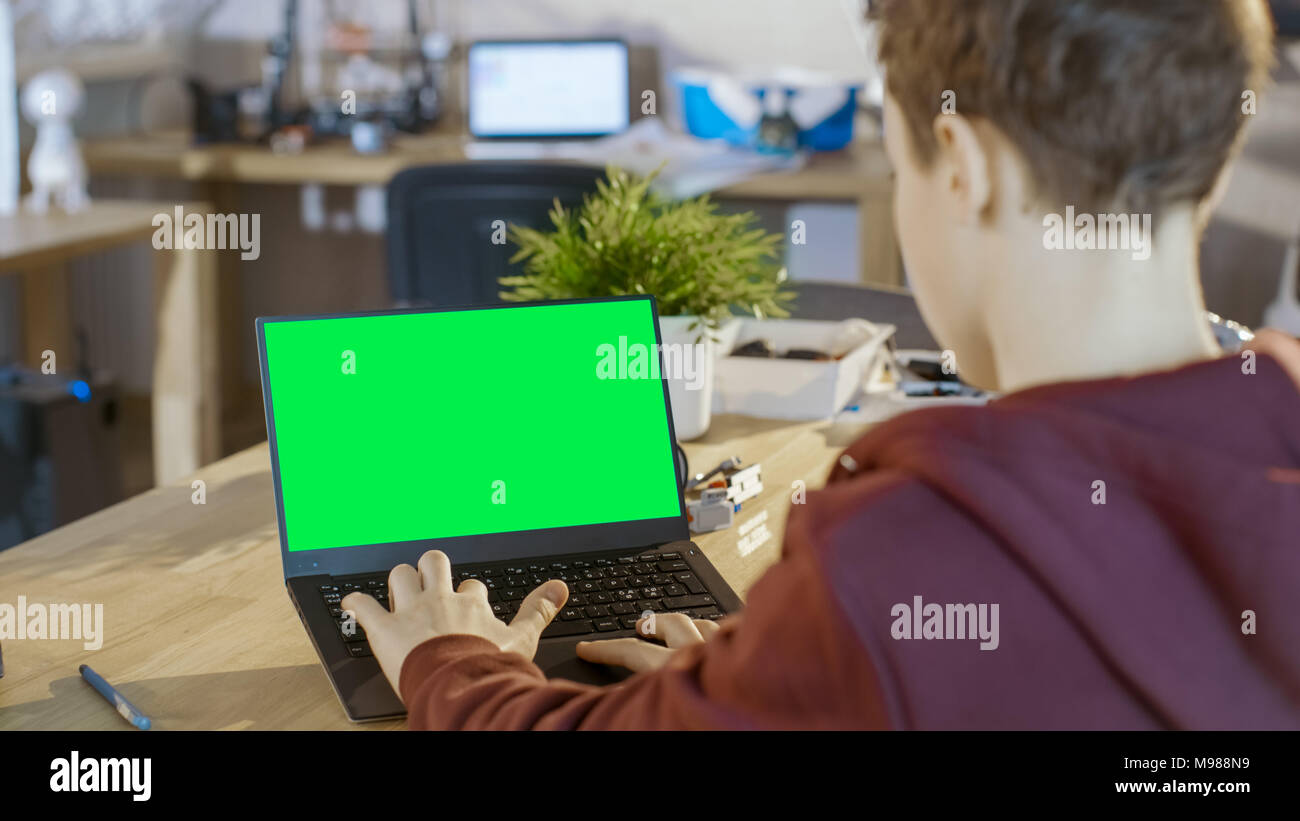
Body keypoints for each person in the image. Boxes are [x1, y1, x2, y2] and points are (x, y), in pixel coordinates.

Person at [343, 0, 1300, 729]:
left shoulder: (898, 559)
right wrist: (774, 675)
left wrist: (453, 661)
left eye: (902, 160)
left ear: (961, 164)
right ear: (1213, 161)